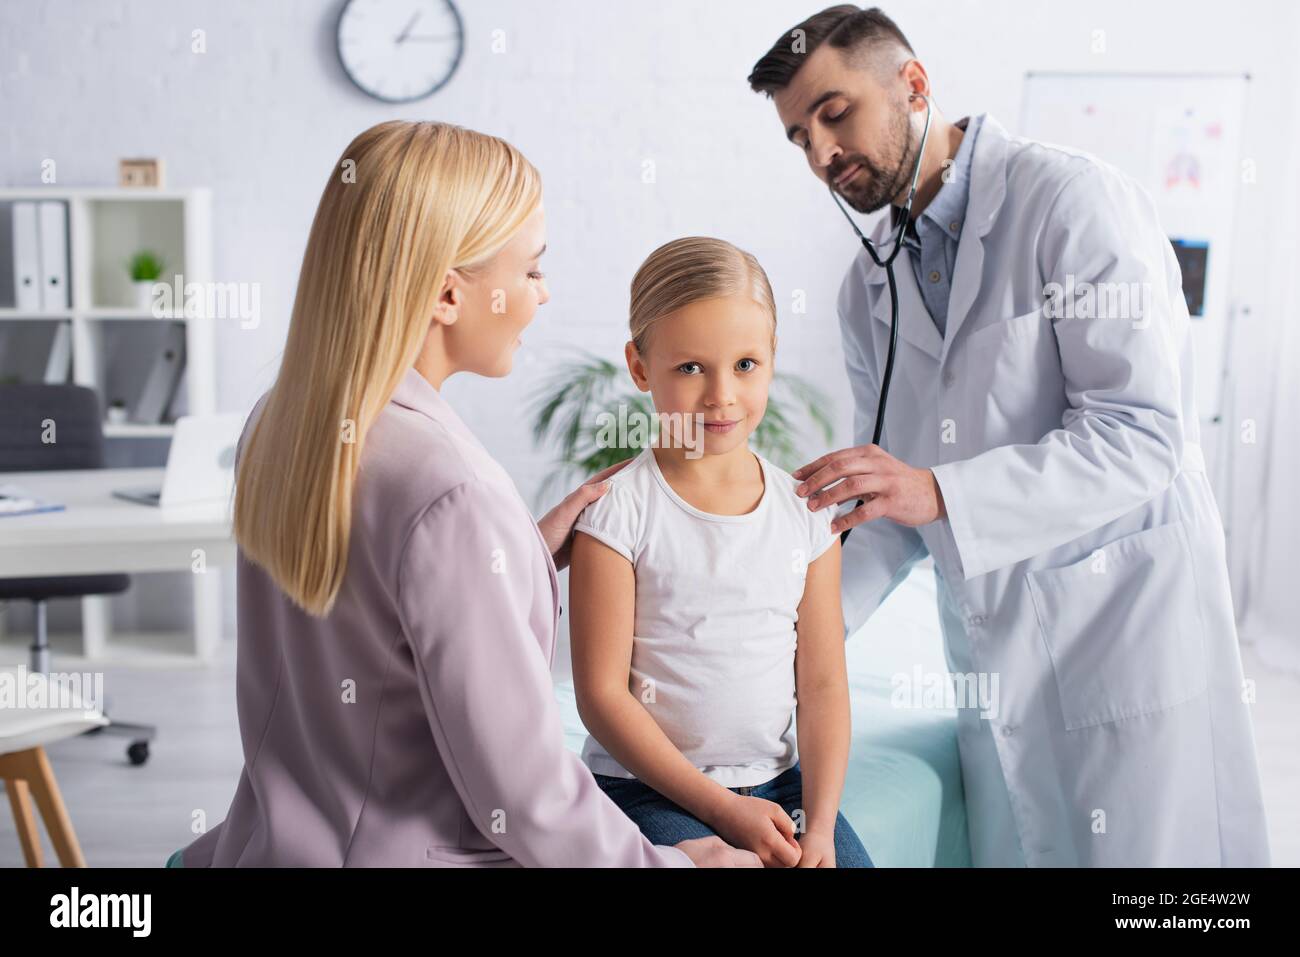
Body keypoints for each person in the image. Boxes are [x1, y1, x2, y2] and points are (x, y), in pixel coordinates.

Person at [747, 5, 1269, 866]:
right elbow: (889, 507)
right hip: (996, 655)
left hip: (1125, 626)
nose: (822, 154)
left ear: (914, 84)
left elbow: (1142, 432)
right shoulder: (864, 291)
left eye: (835, 114)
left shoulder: (1070, 202)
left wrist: (939, 490)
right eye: (801, 137)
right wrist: (787, 634)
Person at [179, 120, 758, 868]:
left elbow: (364, 624)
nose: (543, 294)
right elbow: (525, 796)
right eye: (532, 270)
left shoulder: (284, 418)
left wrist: (517, 555)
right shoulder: (451, 492)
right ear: (449, 294)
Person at [569, 237, 872, 867]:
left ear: (772, 357)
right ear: (639, 367)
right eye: (690, 368)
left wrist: (819, 827)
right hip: (642, 787)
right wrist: (723, 809)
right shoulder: (617, 511)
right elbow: (601, 696)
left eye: (745, 364)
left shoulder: (806, 514)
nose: (721, 395)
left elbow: (822, 686)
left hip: (781, 787)